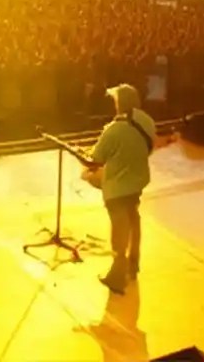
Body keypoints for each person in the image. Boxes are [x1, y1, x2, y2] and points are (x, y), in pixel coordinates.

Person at [87, 83, 157, 295]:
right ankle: (133, 265)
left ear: (119, 104)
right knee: (133, 219)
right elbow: (150, 146)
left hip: (117, 186)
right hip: (137, 181)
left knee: (119, 228)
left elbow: (96, 159)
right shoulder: (146, 122)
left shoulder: (114, 130)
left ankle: (117, 275)